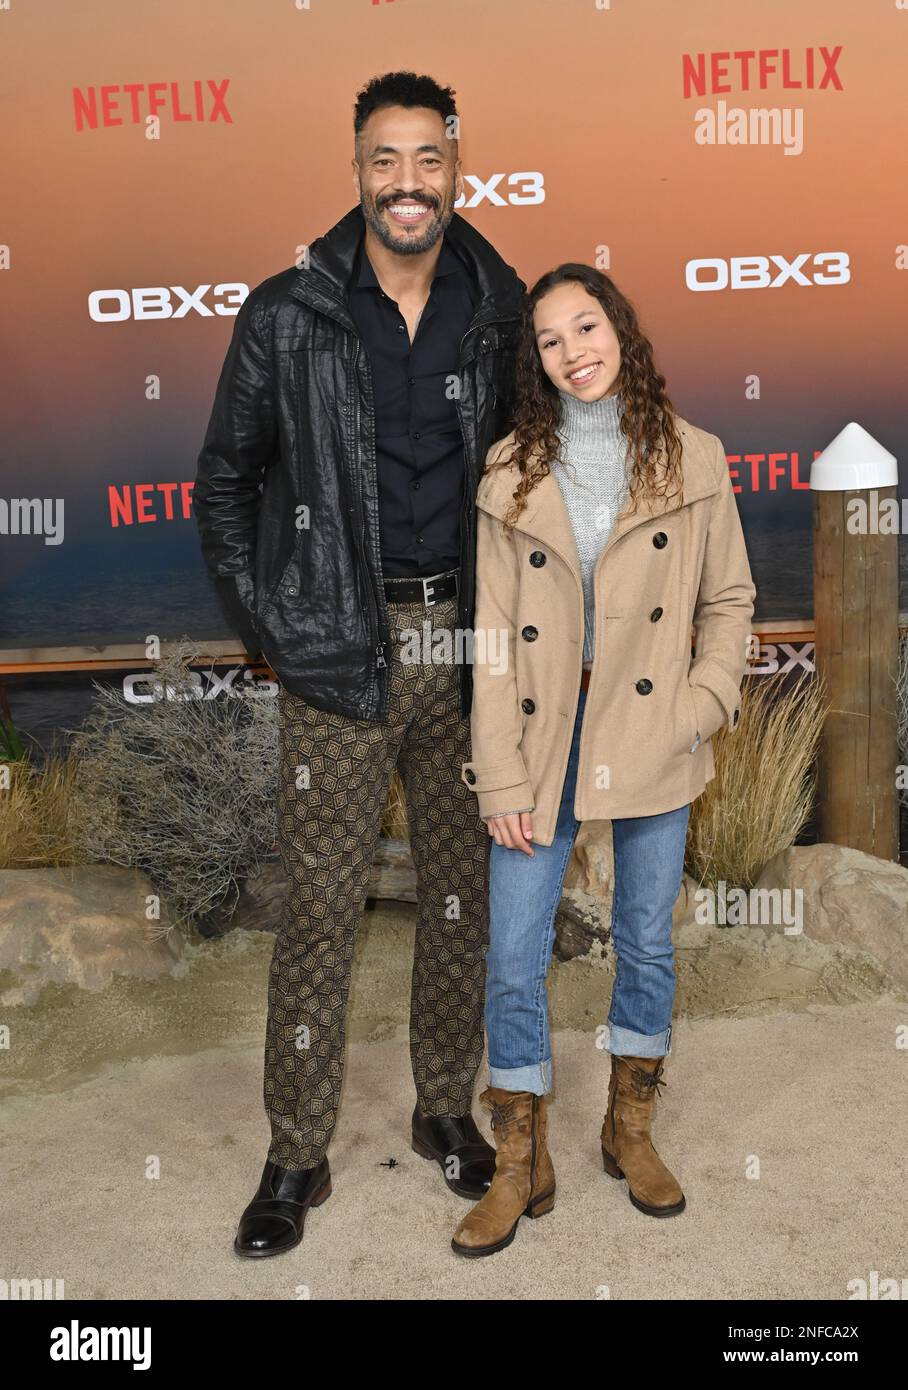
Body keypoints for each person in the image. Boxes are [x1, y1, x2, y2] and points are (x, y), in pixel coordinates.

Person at [193, 70, 526, 1259]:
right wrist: (274, 633)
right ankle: (295, 1152)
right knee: (321, 911)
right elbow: (225, 480)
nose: (405, 183)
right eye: (384, 161)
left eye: (425, 160)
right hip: (341, 651)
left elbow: (541, 469)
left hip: (476, 650)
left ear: (455, 164)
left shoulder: (499, 305)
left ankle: (446, 1106)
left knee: (458, 900)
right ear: (357, 170)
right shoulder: (288, 312)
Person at [453, 264, 756, 1257]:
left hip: (649, 732)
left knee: (646, 941)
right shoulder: (507, 470)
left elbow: (726, 604)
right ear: (533, 360)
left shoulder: (695, 458)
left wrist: (696, 709)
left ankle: (628, 1130)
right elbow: (490, 640)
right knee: (510, 951)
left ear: (619, 331)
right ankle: (518, 1157)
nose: (571, 347)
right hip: (540, 738)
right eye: (548, 338)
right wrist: (497, 774)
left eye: (585, 325)